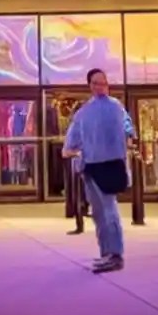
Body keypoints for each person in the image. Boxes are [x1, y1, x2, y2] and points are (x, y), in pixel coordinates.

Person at [63, 68, 135, 274]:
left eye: (104, 82)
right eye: (97, 83)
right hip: (93, 166)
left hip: (107, 165)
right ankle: (108, 253)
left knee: (107, 211)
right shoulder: (87, 112)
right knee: (100, 212)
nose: (101, 86)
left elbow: (129, 131)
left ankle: (114, 254)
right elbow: (71, 142)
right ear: (90, 86)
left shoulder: (114, 108)